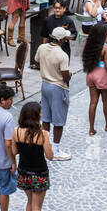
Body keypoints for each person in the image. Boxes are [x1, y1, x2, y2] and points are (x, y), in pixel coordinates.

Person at [12, 101, 54, 211]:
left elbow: (14, 151)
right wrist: (47, 140)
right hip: (39, 174)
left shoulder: (16, 132)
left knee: (29, 202)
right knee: (37, 207)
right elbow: (50, 156)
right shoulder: (42, 134)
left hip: (24, 173)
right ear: (36, 116)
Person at [35, 27, 73, 159]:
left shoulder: (42, 48)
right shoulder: (62, 55)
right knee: (58, 120)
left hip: (44, 85)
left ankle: (45, 145)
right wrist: (70, 75)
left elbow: (37, 61)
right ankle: (55, 149)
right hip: (57, 87)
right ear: (62, 40)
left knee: (45, 118)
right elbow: (65, 76)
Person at [81, 21, 107, 136]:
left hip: (91, 73)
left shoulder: (89, 44)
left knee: (93, 102)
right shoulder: (106, 47)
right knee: (106, 102)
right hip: (102, 75)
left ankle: (91, 129)